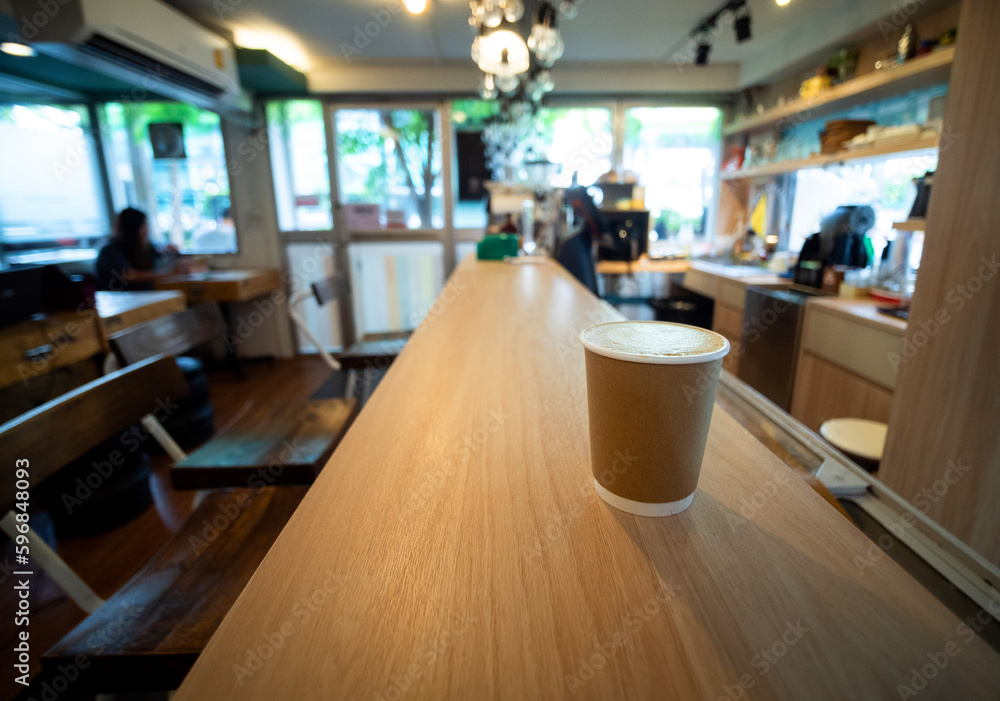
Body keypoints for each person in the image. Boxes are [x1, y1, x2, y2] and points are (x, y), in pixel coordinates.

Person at [95, 208, 181, 291]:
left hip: (142, 297)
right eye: (143, 227)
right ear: (133, 229)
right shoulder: (109, 251)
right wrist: (169, 273)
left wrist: (167, 250)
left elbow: (157, 253)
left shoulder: (142, 247)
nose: (146, 231)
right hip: (121, 300)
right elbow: (129, 275)